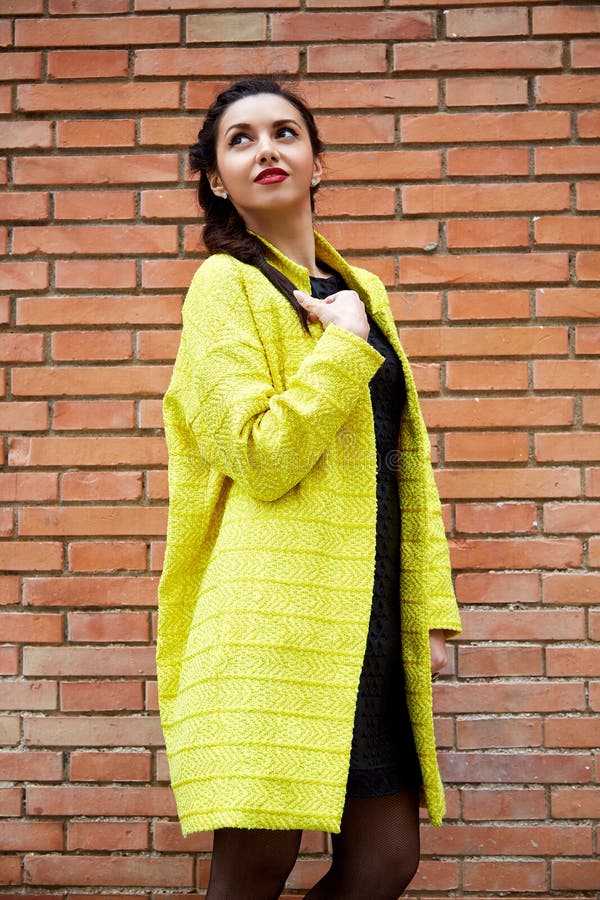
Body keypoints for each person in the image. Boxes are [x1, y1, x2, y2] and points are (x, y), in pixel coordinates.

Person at [156, 76, 462, 900]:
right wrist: (339, 351)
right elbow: (255, 452)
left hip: (369, 613)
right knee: (257, 864)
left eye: (286, 133)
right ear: (217, 178)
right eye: (242, 139)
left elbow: (407, 464)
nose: (267, 149)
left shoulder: (363, 292)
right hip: (272, 613)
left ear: (317, 162)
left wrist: (429, 606)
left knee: (386, 860)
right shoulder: (225, 287)